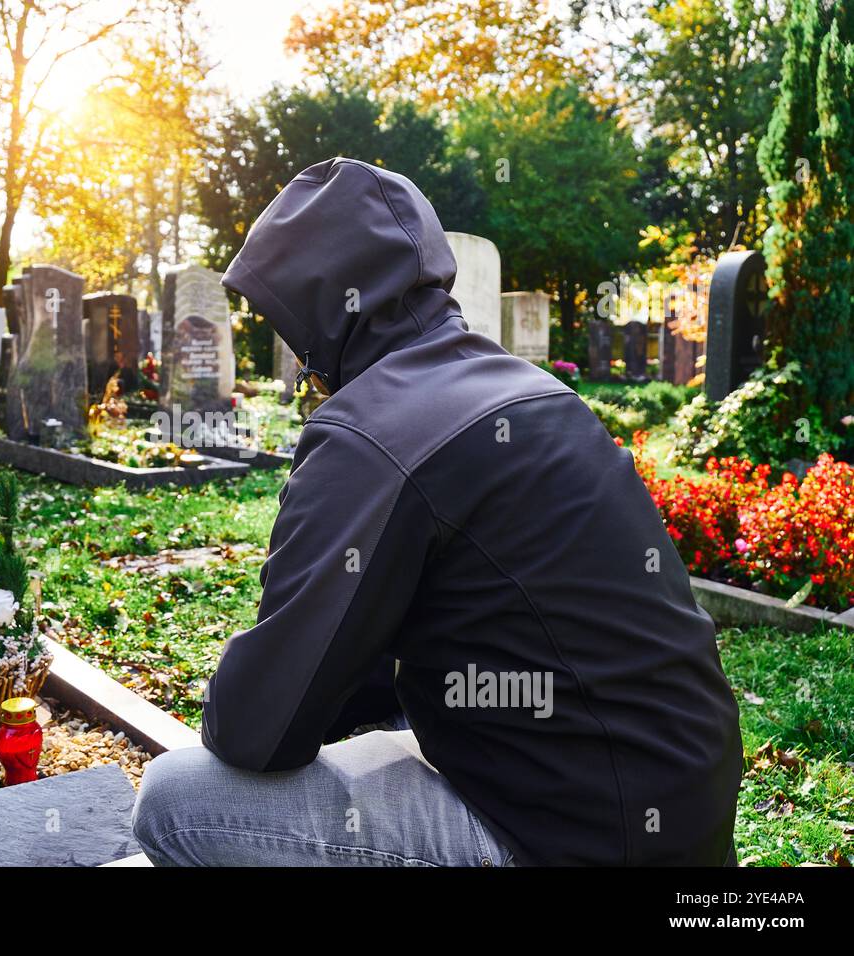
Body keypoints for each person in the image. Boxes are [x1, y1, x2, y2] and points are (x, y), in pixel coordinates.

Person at [130, 157, 742, 867]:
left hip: (566, 841)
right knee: (388, 727)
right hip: (676, 810)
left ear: (318, 309)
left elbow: (255, 732)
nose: (294, 361)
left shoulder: (367, 431)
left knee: (175, 798)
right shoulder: (533, 391)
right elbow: (359, 686)